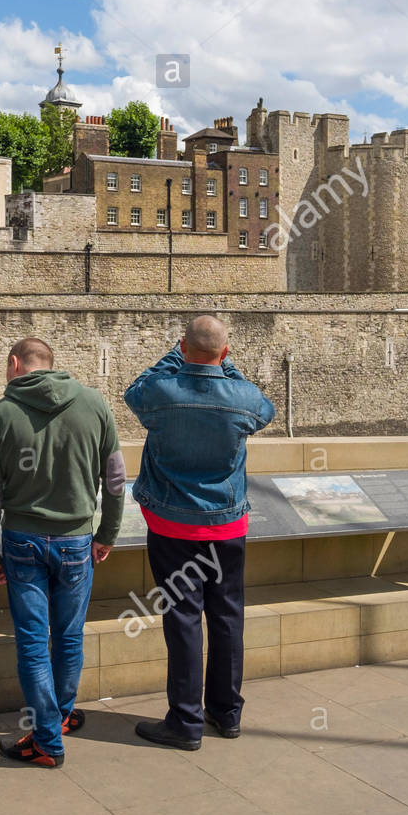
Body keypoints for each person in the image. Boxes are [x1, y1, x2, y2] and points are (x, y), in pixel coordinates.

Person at [124, 315, 274, 751]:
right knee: (227, 617)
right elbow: (263, 408)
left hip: (172, 525)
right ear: (225, 353)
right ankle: (226, 714)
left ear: (183, 347)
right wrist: (222, 366)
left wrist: (178, 356)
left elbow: (137, 389)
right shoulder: (242, 397)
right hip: (227, 525)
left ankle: (185, 721)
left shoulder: (161, 391)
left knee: (183, 618)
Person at [0, 337, 126, 767]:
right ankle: (59, 715)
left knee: (32, 641)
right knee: (68, 635)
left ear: (14, 363)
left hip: (22, 540)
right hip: (78, 540)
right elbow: (114, 478)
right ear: (51, 365)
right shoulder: (94, 404)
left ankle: (45, 741)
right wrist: (108, 532)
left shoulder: (0, 415)